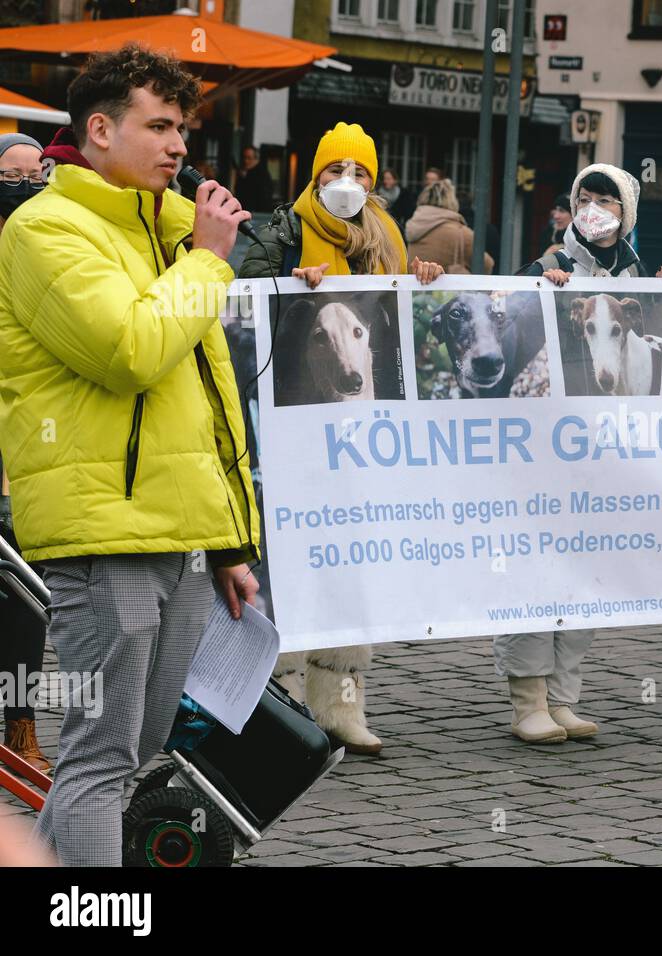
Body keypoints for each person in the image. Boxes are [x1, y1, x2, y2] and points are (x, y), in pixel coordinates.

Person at [0, 45, 259, 865]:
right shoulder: (45, 228)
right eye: (159, 125)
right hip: (100, 530)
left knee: (138, 743)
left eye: (182, 126)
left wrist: (229, 541)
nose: (178, 144)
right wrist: (207, 261)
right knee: (100, 753)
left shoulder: (165, 231)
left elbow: (209, 402)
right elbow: (129, 349)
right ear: (101, 130)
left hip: (175, 532)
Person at [239, 122, 444, 754]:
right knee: (288, 566)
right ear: (314, 175)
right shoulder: (278, 232)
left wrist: (425, 279)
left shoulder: (386, 242)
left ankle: (343, 705)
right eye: (335, 171)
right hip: (289, 437)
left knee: (354, 569)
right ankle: (281, 705)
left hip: (359, 440)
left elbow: (396, 331)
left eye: (360, 173)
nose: (347, 184)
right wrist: (282, 286)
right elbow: (237, 306)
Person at [499, 162, 662, 744]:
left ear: (625, 213)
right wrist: (537, 299)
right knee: (538, 569)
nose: (595, 207)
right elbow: (506, 344)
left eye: (608, 199)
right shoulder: (545, 268)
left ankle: (564, 697)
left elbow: (659, 352)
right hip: (546, 454)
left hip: (608, 457)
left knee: (589, 568)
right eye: (587, 196)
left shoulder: (638, 276)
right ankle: (527, 699)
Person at [0, 132, 51, 771]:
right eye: (12, 175)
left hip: (28, 453)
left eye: (36, 172)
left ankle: (21, 724)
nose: (27, 183)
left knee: (23, 600)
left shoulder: (51, 240)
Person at [405, 178, 492, 274]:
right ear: (452, 201)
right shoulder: (460, 232)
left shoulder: (413, 226)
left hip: (414, 286)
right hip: (445, 288)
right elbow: (487, 265)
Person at [234, 144, 273, 213]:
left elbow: (264, 198)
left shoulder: (262, 174)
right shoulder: (244, 173)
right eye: (244, 157)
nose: (246, 161)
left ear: (255, 159)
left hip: (257, 214)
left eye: (249, 158)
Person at [538, 193, 571, 257]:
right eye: (555, 210)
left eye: (562, 211)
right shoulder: (548, 232)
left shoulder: (582, 237)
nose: (556, 216)